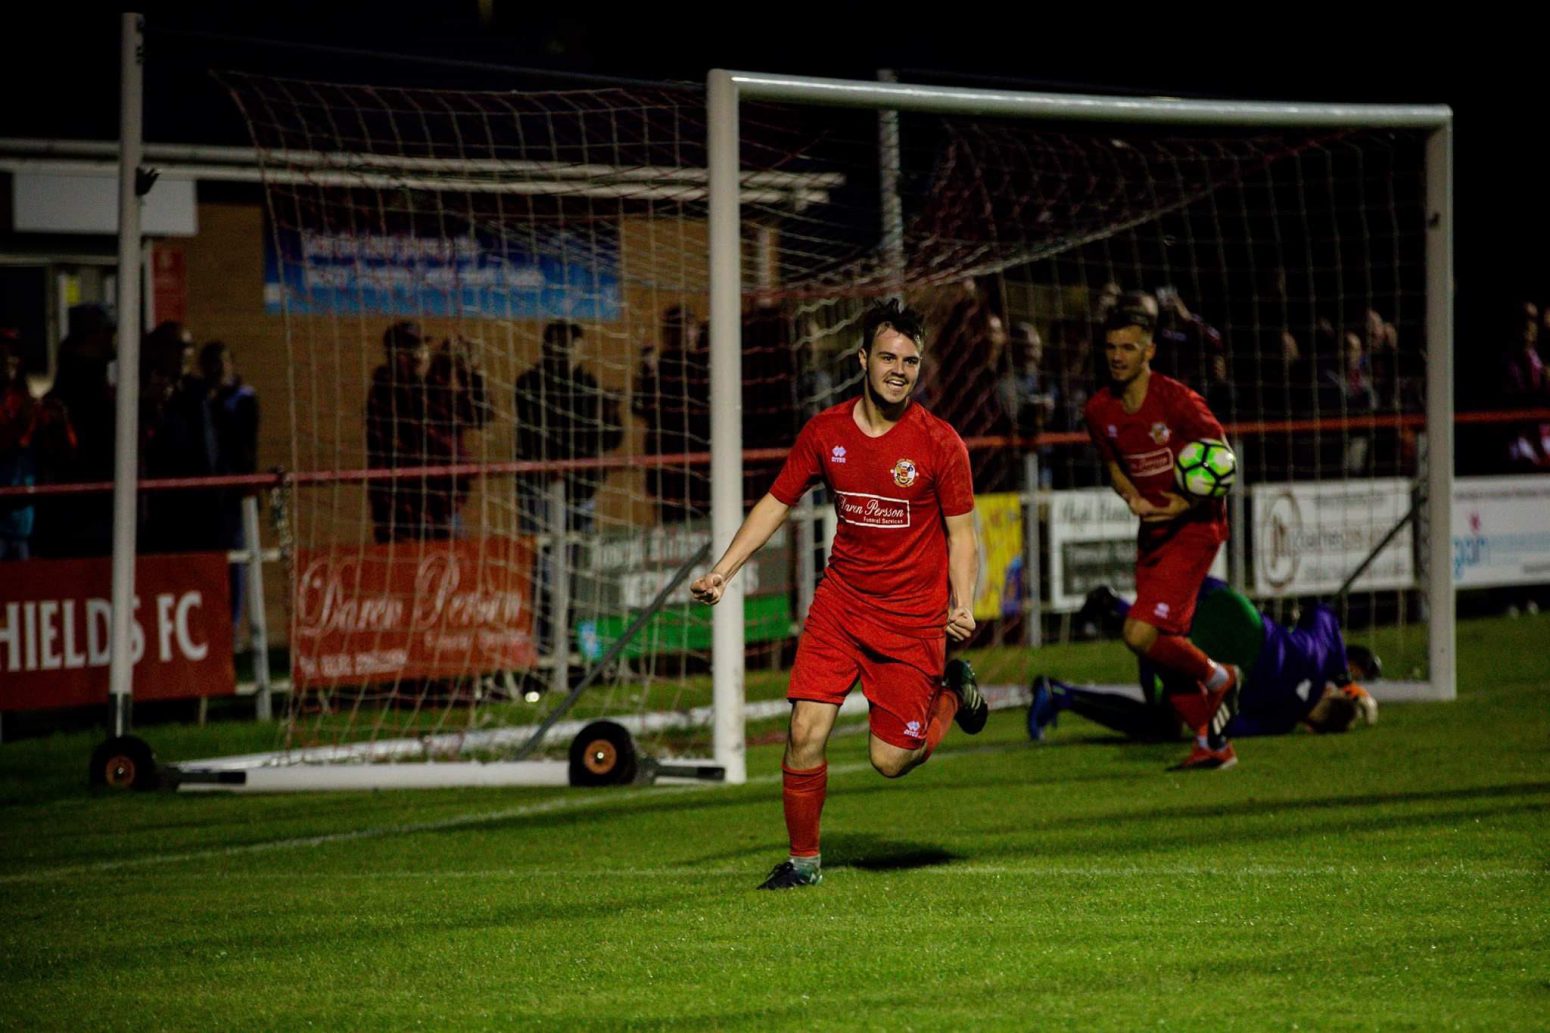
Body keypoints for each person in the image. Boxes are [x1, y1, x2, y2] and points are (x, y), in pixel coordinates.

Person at [690, 299, 986, 890]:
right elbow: (776, 502)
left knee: (889, 761)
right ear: (863, 361)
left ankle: (952, 694)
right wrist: (724, 570)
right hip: (841, 605)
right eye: (887, 358)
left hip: (911, 618)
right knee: (804, 732)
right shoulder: (825, 433)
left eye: (910, 360)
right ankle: (803, 865)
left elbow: (963, 535)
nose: (898, 370)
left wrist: (963, 602)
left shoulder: (940, 442)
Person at [1083, 291, 1242, 770]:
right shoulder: (1099, 411)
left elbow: (1222, 458)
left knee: (1139, 633)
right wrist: (1129, 495)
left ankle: (1220, 677)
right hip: (1152, 535)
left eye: (1128, 347)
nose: (1117, 356)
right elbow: (1113, 466)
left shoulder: (1177, 401)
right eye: (1111, 347)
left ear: (1149, 351)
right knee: (1161, 649)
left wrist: (1187, 500)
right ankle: (1213, 745)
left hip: (1195, 528)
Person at [1029, 579, 1379, 743]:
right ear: (1313, 726)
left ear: (1334, 693)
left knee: (1158, 628)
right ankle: (1062, 695)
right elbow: (1229, 725)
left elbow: (1322, 612)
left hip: (1236, 610)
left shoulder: (1318, 659)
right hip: (1229, 650)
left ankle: (1115, 606)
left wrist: (1341, 672)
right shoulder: (1283, 720)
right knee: (1163, 722)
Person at [514, 320, 624, 643]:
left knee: (580, 568)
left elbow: (610, 438)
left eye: (571, 346)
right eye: (559, 345)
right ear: (547, 347)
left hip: (581, 493)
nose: (566, 353)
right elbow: (544, 437)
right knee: (547, 569)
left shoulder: (588, 384)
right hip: (543, 493)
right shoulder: (530, 384)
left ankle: (578, 645)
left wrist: (610, 412)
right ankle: (548, 646)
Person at [365, 321, 489, 543]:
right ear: (393, 354)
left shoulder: (432, 390)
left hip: (442, 506)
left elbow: (480, 414)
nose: (419, 355)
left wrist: (471, 373)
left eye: (420, 348)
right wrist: (443, 364)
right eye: (410, 349)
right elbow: (418, 408)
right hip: (401, 508)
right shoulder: (384, 391)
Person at [633, 305, 710, 522]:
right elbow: (641, 408)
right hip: (669, 465)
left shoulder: (706, 366)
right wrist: (647, 371)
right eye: (678, 327)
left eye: (689, 327)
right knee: (674, 525)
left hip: (701, 464)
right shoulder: (661, 366)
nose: (686, 333)